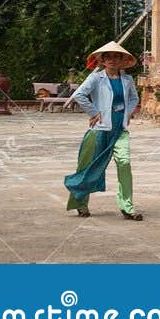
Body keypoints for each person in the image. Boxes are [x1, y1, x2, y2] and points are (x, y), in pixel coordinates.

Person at [62, 41, 143, 220]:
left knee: (124, 163)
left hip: (119, 130)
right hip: (100, 130)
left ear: (123, 60)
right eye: (109, 57)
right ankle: (81, 204)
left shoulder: (127, 80)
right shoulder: (96, 78)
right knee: (88, 166)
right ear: (103, 60)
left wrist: (128, 113)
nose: (113, 60)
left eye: (117, 57)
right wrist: (93, 112)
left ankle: (127, 207)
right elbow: (79, 95)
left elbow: (134, 98)